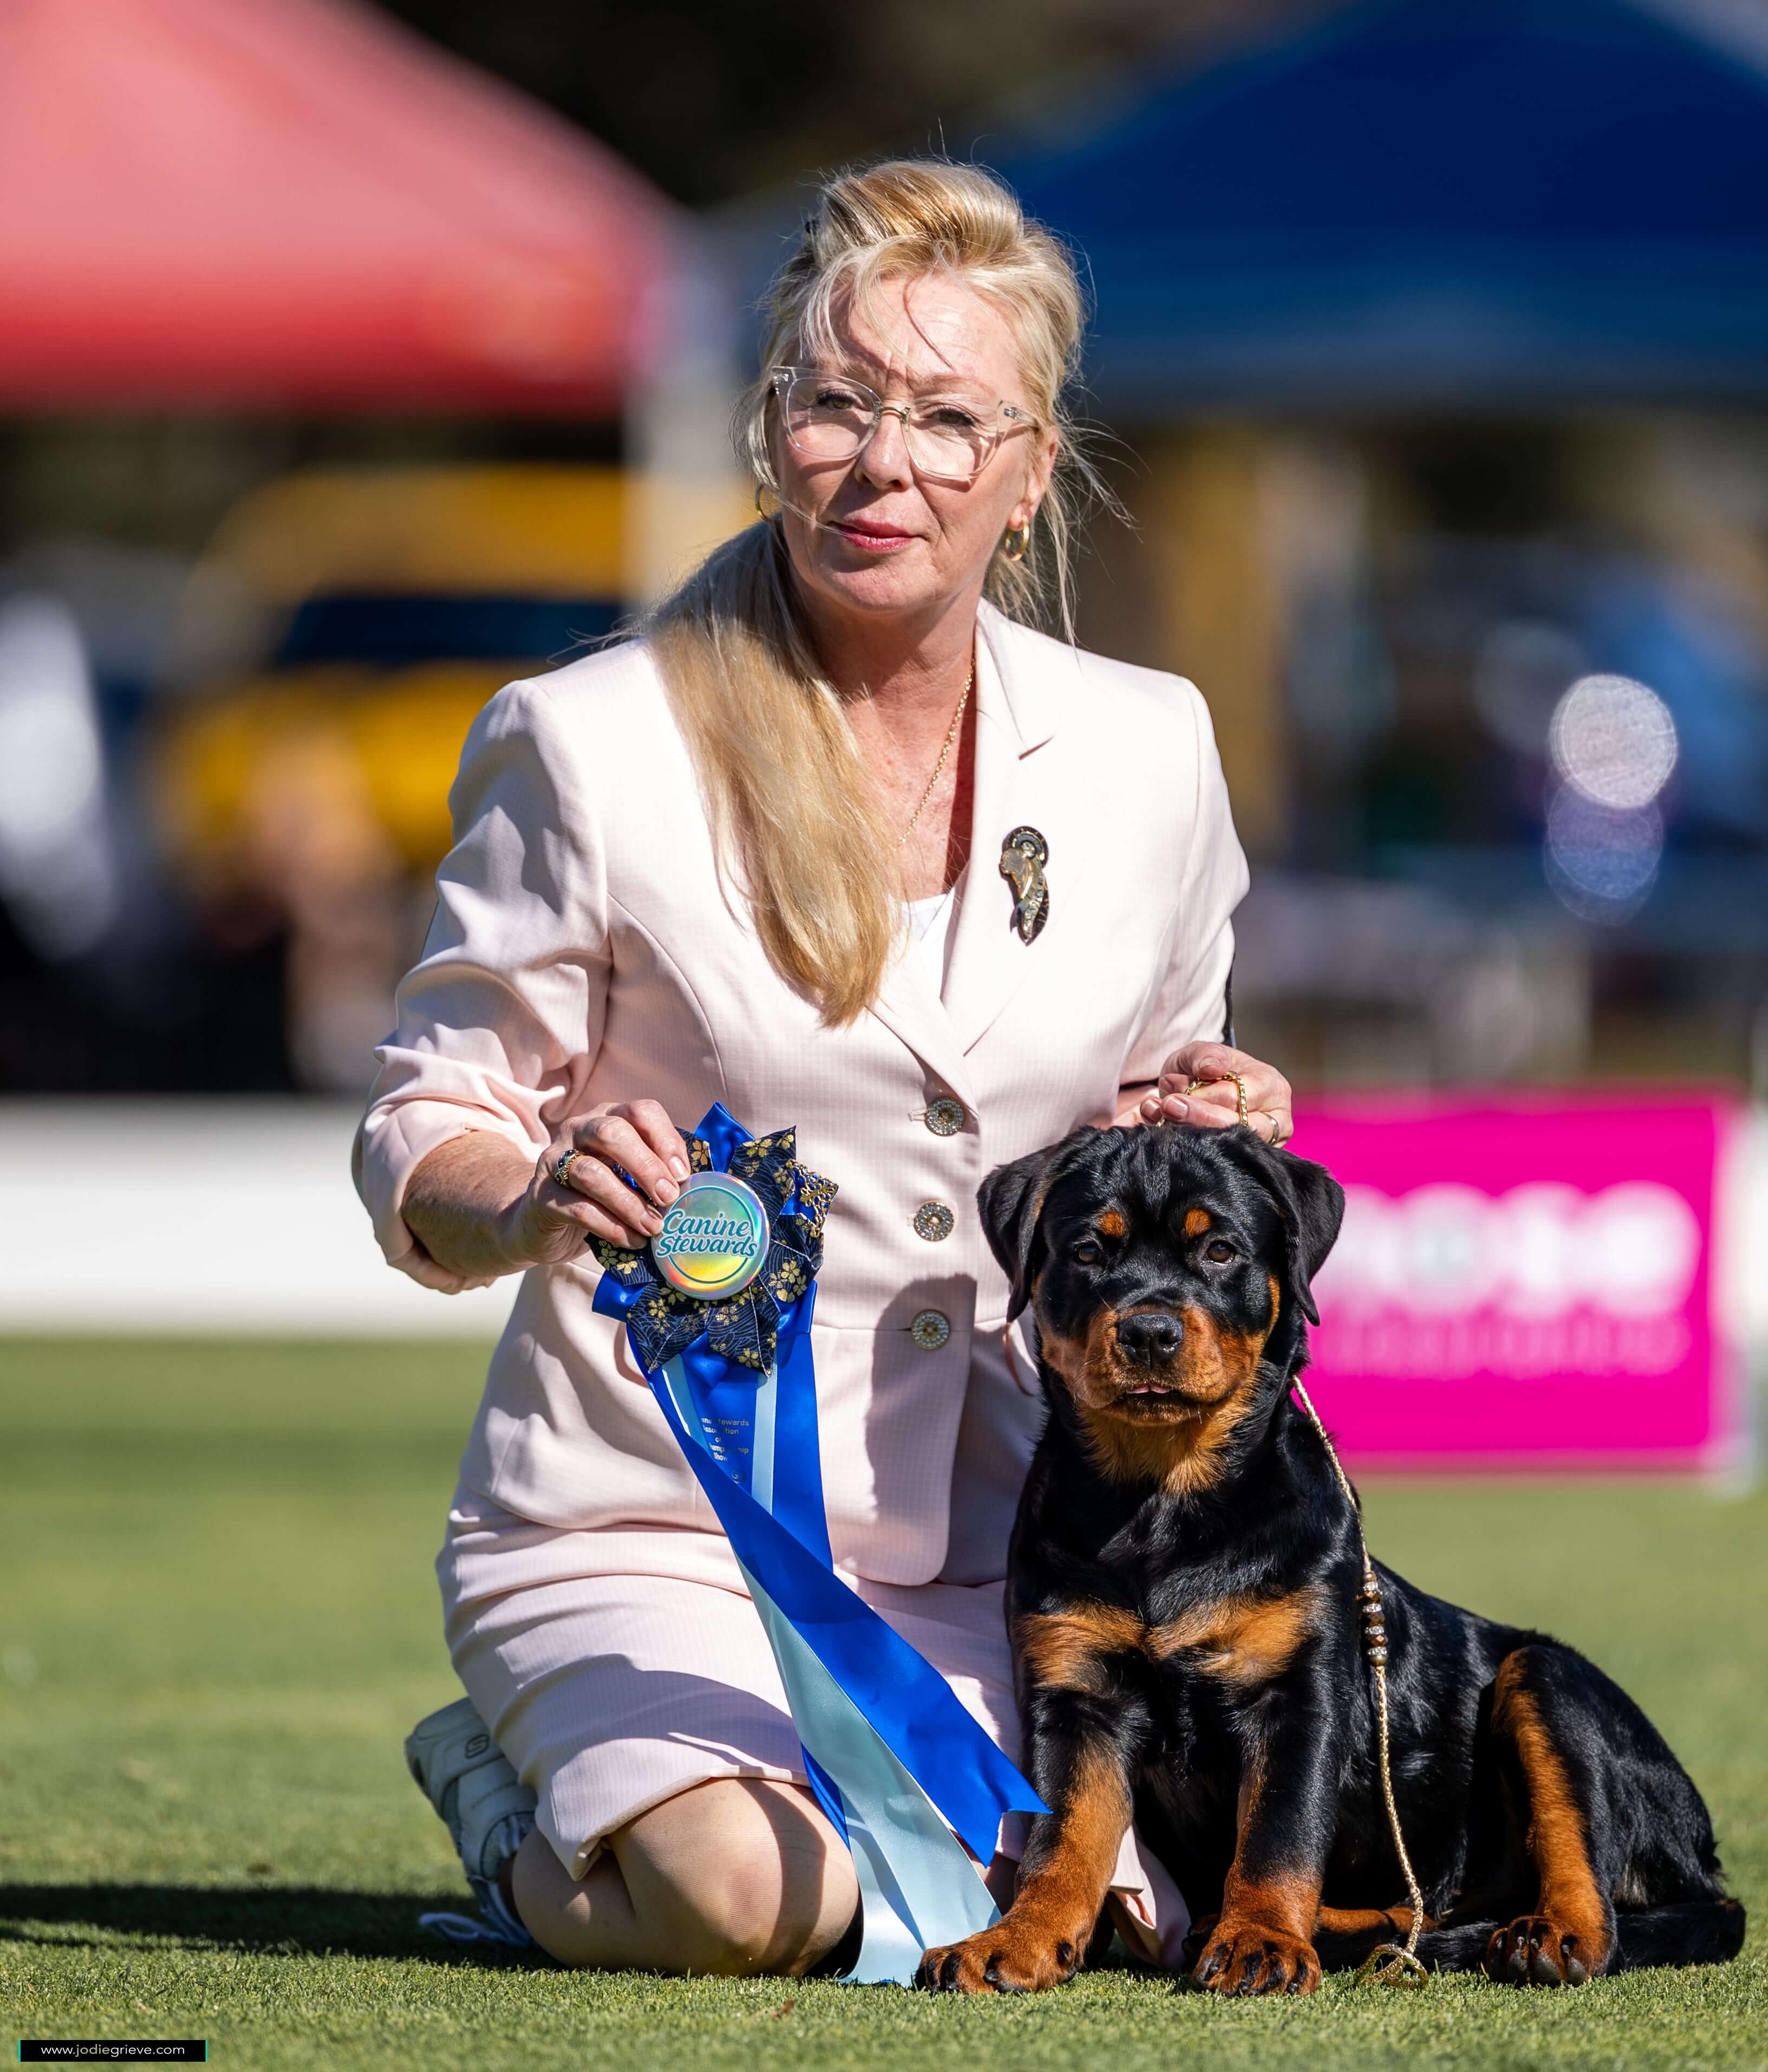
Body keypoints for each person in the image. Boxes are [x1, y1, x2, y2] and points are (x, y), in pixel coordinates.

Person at [355, 159, 1293, 1978]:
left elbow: (1157, 1095)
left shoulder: (1153, 749)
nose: (888, 463)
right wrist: (538, 1193)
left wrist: (1226, 1115)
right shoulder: (587, 741)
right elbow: (424, 1123)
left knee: (1149, 1913)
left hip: (1040, 1545)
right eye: (839, 404)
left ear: (1029, 473)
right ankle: (514, 1799)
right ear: (771, 427)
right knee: (741, 1907)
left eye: (950, 419)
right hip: (651, 1523)